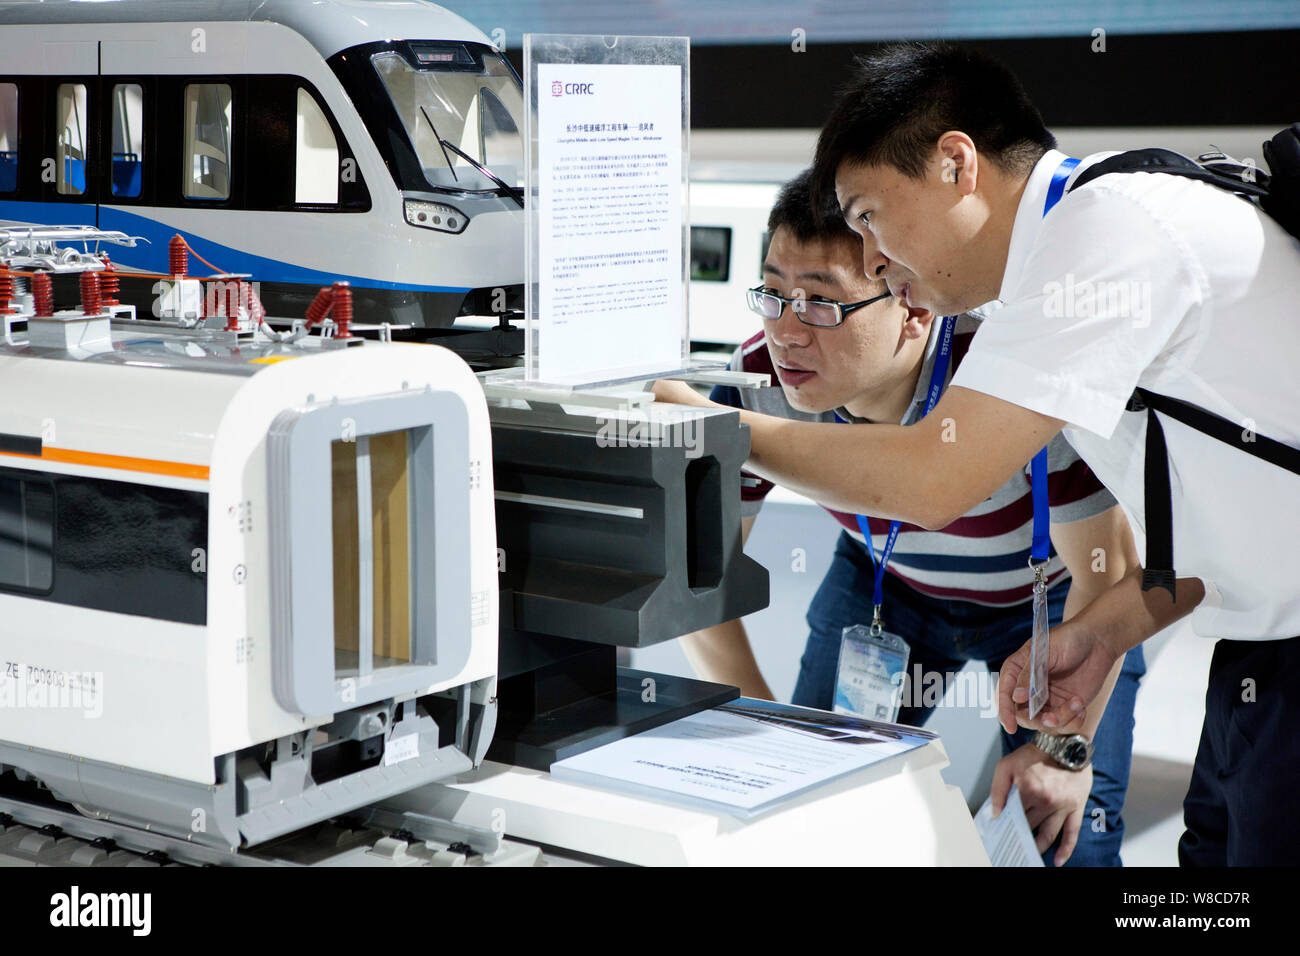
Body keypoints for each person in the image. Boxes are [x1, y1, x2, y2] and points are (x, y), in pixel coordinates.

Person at [664, 41, 1300, 866]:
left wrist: (720, 432)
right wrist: (1106, 633)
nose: (880, 261)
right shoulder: (1080, 250)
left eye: (869, 218)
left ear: (954, 163)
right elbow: (1221, 527)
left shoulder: (1105, 234)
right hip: (1260, 643)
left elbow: (934, 480)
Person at [661, 170, 1145, 866]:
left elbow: (1112, 577)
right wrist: (767, 726)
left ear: (913, 307)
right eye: (772, 293)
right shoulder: (758, 378)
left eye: (822, 304)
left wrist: (1061, 752)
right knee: (814, 811)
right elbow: (695, 580)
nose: (786, 333)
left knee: (1062, 840)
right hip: (888, 587)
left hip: (1054, 606)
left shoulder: (1009, 377)